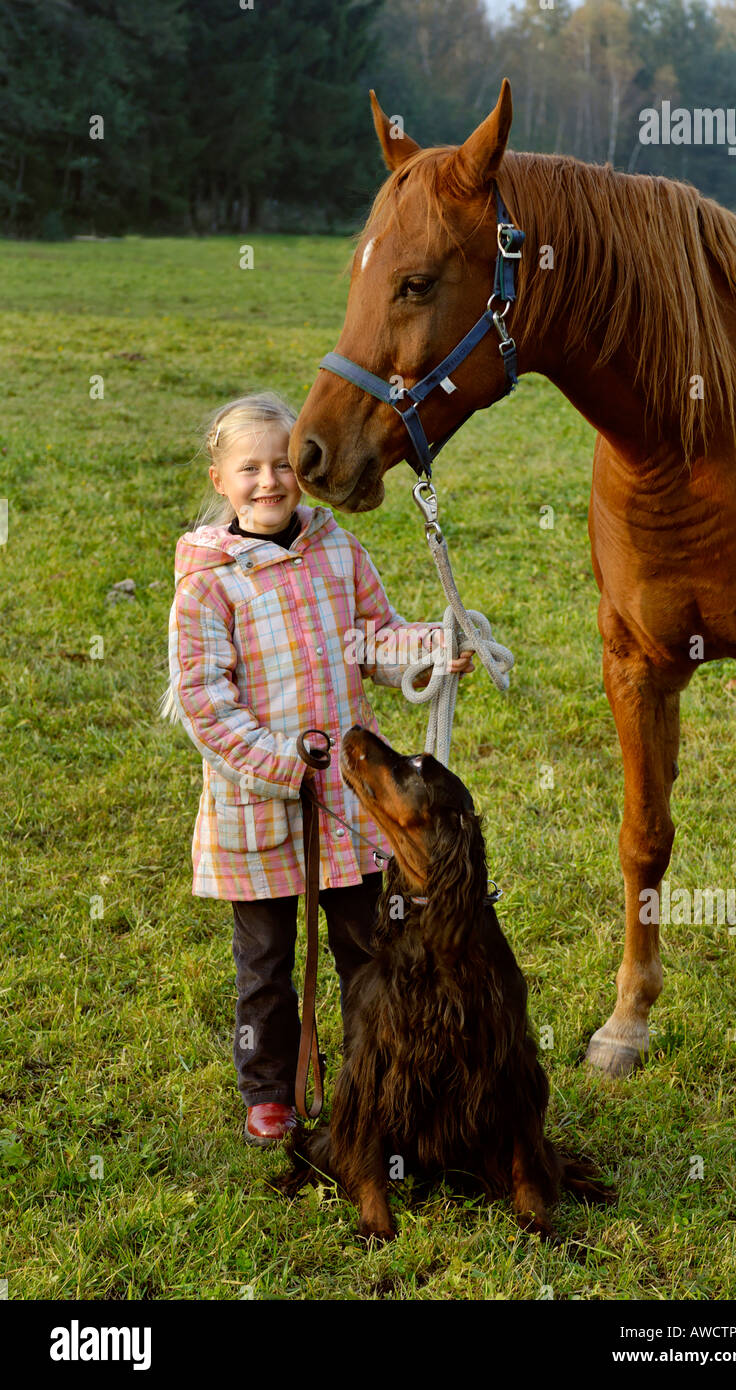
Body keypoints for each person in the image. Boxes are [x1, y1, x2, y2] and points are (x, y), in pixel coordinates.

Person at [161, 391, 475, 1147]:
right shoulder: (208, 584)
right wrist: (281, 767)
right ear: (220, 477)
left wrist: (431, 647)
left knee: (366, 947)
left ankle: (368, 1075)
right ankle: (268, 1090)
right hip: (258, 806)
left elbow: (375, 637)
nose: (268, 481)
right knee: (266, 962)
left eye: (280, 464)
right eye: (248, 469)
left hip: (346, 802)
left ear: (301, 465)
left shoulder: (337, 550)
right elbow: (205, 702)